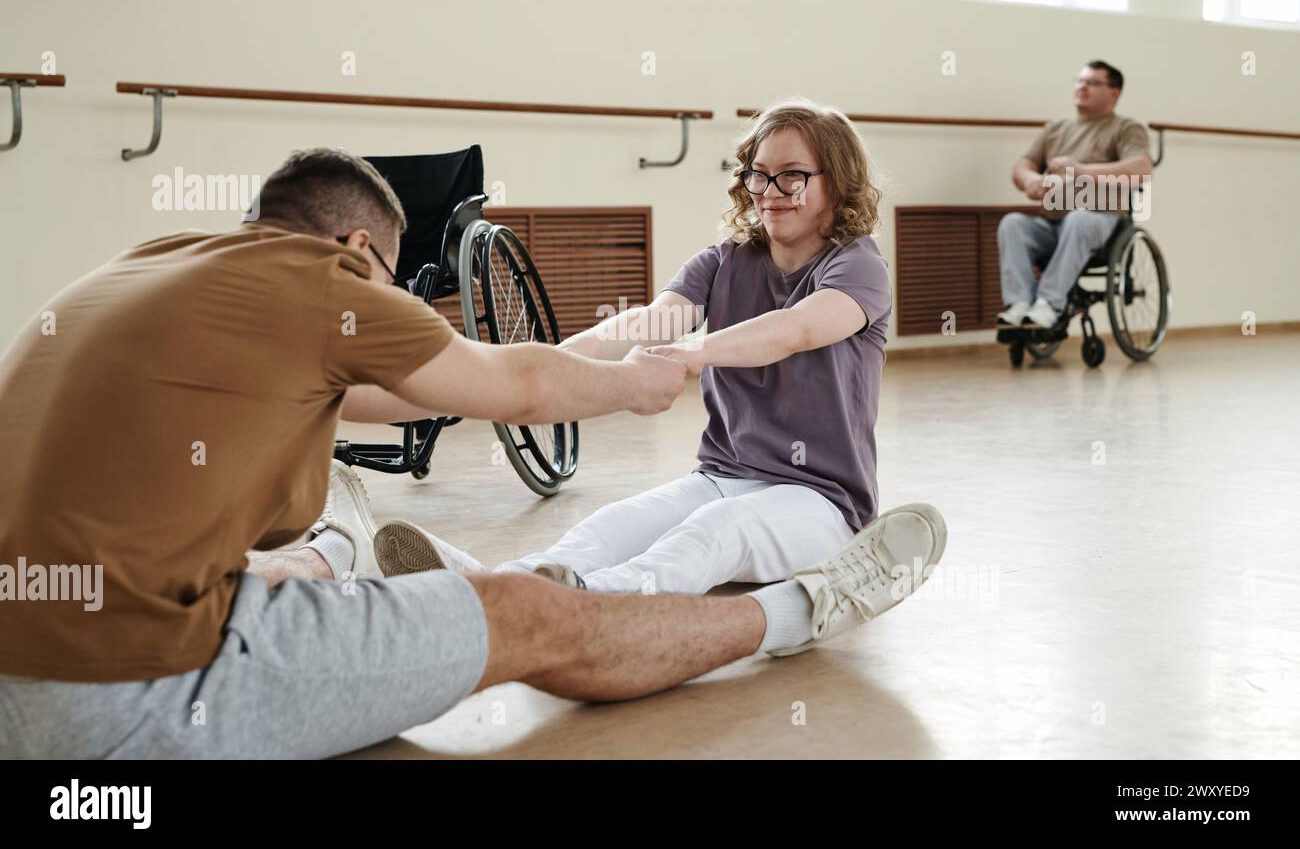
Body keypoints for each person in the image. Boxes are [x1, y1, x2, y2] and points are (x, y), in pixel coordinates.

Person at [0, 147, 946, 759]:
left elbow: (399, 394)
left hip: (29, 670)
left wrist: (647, 359)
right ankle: (808, 606)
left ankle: (336, 549)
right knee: (535, 611)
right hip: (126, 701)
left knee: (704, 535)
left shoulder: (143, 265)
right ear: (360, 247)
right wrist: (620, 379)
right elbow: (509, 387)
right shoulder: (322, 281)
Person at [488, 99, 897, 596]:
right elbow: (652, 321)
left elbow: (796, 329)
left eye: (792, 176)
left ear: (836, 181)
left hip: (824, 503)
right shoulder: (723, 261)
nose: (770, 193)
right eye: (758, 174)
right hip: (725, 474)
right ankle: (499, 588)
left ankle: (590, 605)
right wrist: (546, 365)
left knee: (716, 531)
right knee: (614, 525)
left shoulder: (859, 266)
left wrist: (693, 354)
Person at [997, 60, 1153, 330]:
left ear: (1113, 93)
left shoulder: (1125, 128)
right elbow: (1023, 165)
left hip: (1100, 222)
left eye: (1092, 82)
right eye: (1079, 81)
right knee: (1012, 223)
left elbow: (1141, 169)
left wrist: (1081, 170)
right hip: (1052, 222)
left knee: (1080, 219)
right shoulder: (1055, 129)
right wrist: (1031, 180)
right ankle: (1019, 304)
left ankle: (1048, 303)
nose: (1082, 87)